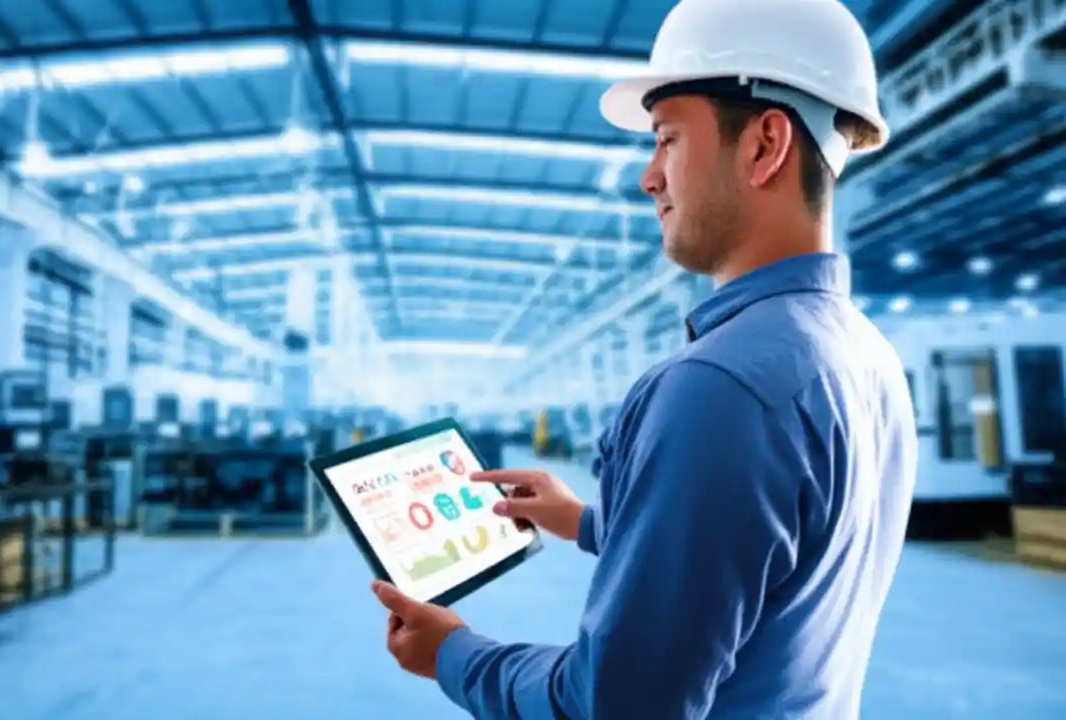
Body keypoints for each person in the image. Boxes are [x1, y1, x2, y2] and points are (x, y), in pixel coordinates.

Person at [370, 0, 919, 717]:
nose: (648, 177)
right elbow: (769, 551)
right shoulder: (866, 358)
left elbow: (614, 705)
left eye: (666, 139)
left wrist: (453, 654)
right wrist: (592, 521)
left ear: (766, 144)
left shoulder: (717, 388)